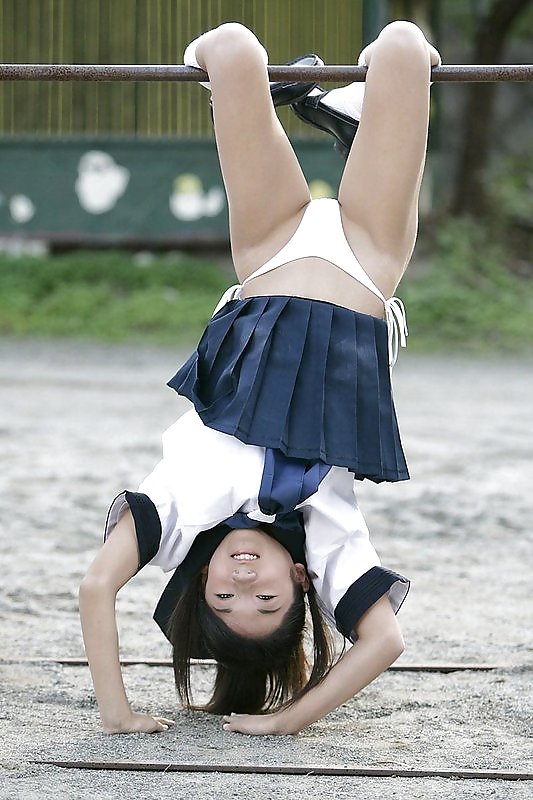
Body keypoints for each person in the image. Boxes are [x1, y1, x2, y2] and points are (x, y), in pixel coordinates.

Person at [79, 20, 441, 736]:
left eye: (222, 602)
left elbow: (96, 588)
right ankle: (350, 116)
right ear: (301, 586)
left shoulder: (177, 515)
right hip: (365, 267)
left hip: (269, 256)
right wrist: (287, 722)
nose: (243, 585)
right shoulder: (330, 541)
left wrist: (116, 714)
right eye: (267, 604)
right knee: (403, 45)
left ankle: (339, 115)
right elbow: (383, 642)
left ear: (201, 588)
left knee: (233, 46)